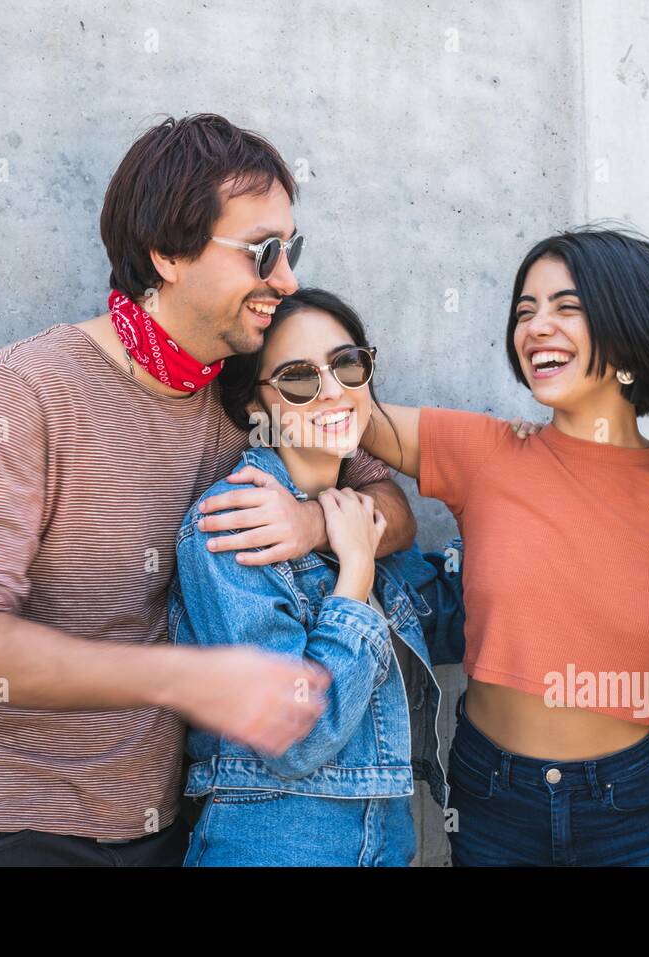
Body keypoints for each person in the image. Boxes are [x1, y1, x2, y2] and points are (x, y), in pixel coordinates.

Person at [0, 114, 418, 867]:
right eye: (264, 252)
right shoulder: (24, 391)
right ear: (167, 253)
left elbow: (389, 507)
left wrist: (310, 524)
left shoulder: (246, 397)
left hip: (157, 827)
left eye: (291, 251)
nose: (287, 280)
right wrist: (189, 676)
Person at [360, 227, 649, 866]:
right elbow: (336, 413)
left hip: (632, 809)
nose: (536, 327)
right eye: (525, 311)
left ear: (625, 322)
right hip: (490, 796)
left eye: (566, 307)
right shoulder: (486, 450)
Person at [171, 288, 466, 866]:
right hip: (271, 846)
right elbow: (297, 735)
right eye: (299, 379)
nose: (334, 390)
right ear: (257, 408)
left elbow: (449, 613)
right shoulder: (230, 527)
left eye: (348, 364)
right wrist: (354, 572)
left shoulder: (351, 516)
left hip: (383, 845)